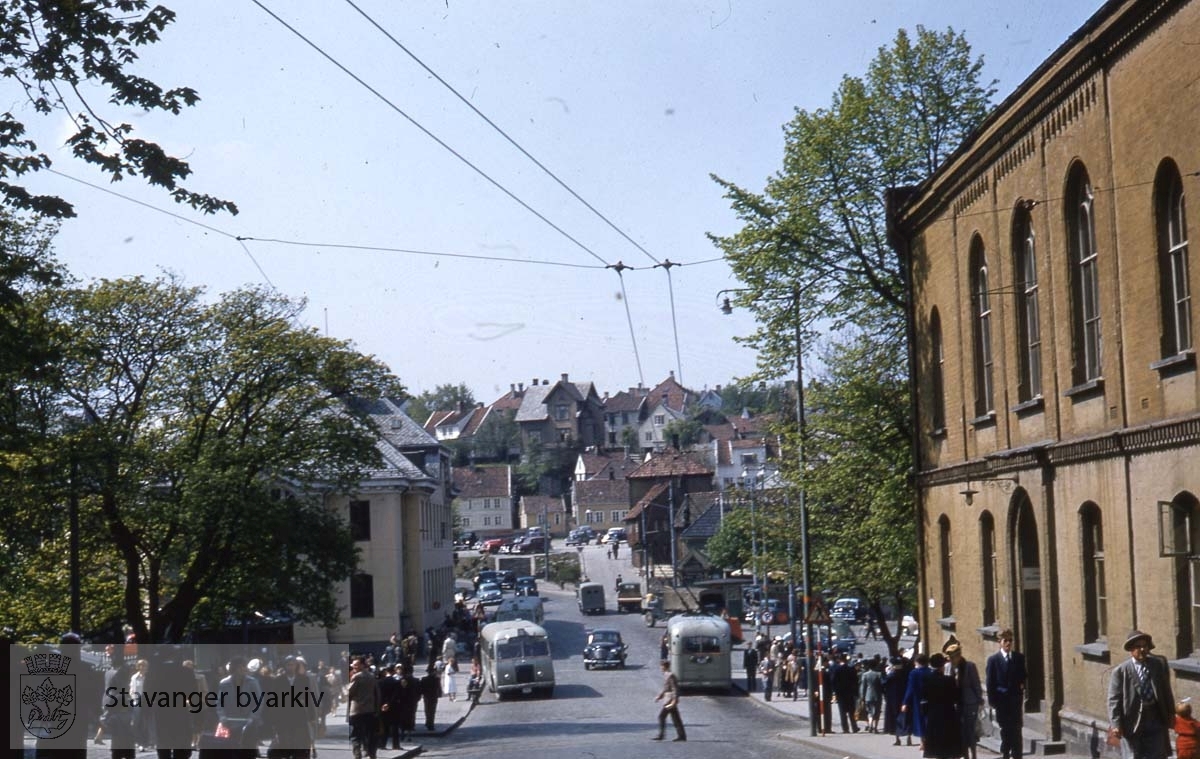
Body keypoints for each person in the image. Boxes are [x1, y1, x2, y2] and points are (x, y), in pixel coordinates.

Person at [1108, 629, 1175, 759]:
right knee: (1133, 755)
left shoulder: (1157, 665)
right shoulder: (1121, 671)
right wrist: (1116, 724)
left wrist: (1171, 713)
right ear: (1131, 649)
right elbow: (1113, 699)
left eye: (1145, 646)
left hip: (1155, 717)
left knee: (1158, 754)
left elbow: (1166, 691)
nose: (1143, 649)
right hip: (1132, 721)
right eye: (1138, 647)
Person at [986, 629, 1028, 759]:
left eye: (1010, 640)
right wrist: (993, 701)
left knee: (1017, 729)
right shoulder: (993, 660)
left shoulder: (1019, 658)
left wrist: (1021, 688)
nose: (1008, 643)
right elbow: (990, 683)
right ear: (1000, 642)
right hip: (1002, 702)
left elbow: (1024, 675)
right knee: (1006, 730)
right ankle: (1005, 753)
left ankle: (1017, 755)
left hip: (1015, 701)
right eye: (1005, 641)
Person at [945, 637, 983, 759]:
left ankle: (974, 754)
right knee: (960, 732)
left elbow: (976, 684)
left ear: (959, 656)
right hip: (956, 704)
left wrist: (979, 699)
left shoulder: (969, 666)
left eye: (953, 658)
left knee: (970, 731)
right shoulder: (948, 667)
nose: (951, 660)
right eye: (950, 658)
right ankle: (965, 754)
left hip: (969, 703)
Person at [922, 653, 963, 759]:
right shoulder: (949, 680)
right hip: (948, 714)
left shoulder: (927, 680)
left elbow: (924, 697)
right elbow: (956, 697)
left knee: (936, 743)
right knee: (948, 743)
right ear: (942, 666)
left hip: (933, 714)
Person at [345, 656, 379, 759]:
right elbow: (377, 693)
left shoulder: (357, 677)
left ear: (362, 665)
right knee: (370, 734)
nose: (353, 666)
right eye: (353, 664)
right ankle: (372, 754)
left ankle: (357, 755)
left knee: (355, 735)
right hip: (370, 710)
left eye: (356, 665)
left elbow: (349, 692)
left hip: (357, 710)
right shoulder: (372, 676)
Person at [652, 660, 686, 742]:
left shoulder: (670, 675)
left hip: (670, 700)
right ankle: (681, 736)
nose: (661, 668)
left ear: (665, 666)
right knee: (676, 718)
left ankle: (661, 735)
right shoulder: (666, 674)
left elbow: (675, 688)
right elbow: (666, 688)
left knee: (662, 716)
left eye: (662, 666)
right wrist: (660, 696)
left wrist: (674, 700)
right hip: (668, 699)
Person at [831, 653, 860, 733]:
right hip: (850, 693)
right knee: (851, 711)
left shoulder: (837, 669)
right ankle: (854, 727)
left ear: (839, 659)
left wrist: (835, 692)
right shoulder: (851, 669)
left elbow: (833, 681)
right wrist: (855, 692)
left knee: (842, 712)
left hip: (841, 693)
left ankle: (845, 728)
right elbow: (855, 681)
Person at [859, 660, 883, 734]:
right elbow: (882, 685)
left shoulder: (865, 675)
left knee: (869, 711)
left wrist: (862, 696)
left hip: (868, 695)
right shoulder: (879, 674)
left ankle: (870, 725)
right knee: (877, 712)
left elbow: (863, 687)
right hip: (877, 695)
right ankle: (875, 727)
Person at [419, 664, 441, 732]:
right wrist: (439, 694)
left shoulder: (424, 679)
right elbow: (439, 688)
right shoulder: (436, 679)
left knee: (427, 710)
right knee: (432, 711)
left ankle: (428, 722)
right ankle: (430, 724)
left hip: (426, 696)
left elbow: (421, 688)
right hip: (433, 696)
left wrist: (421, 694)